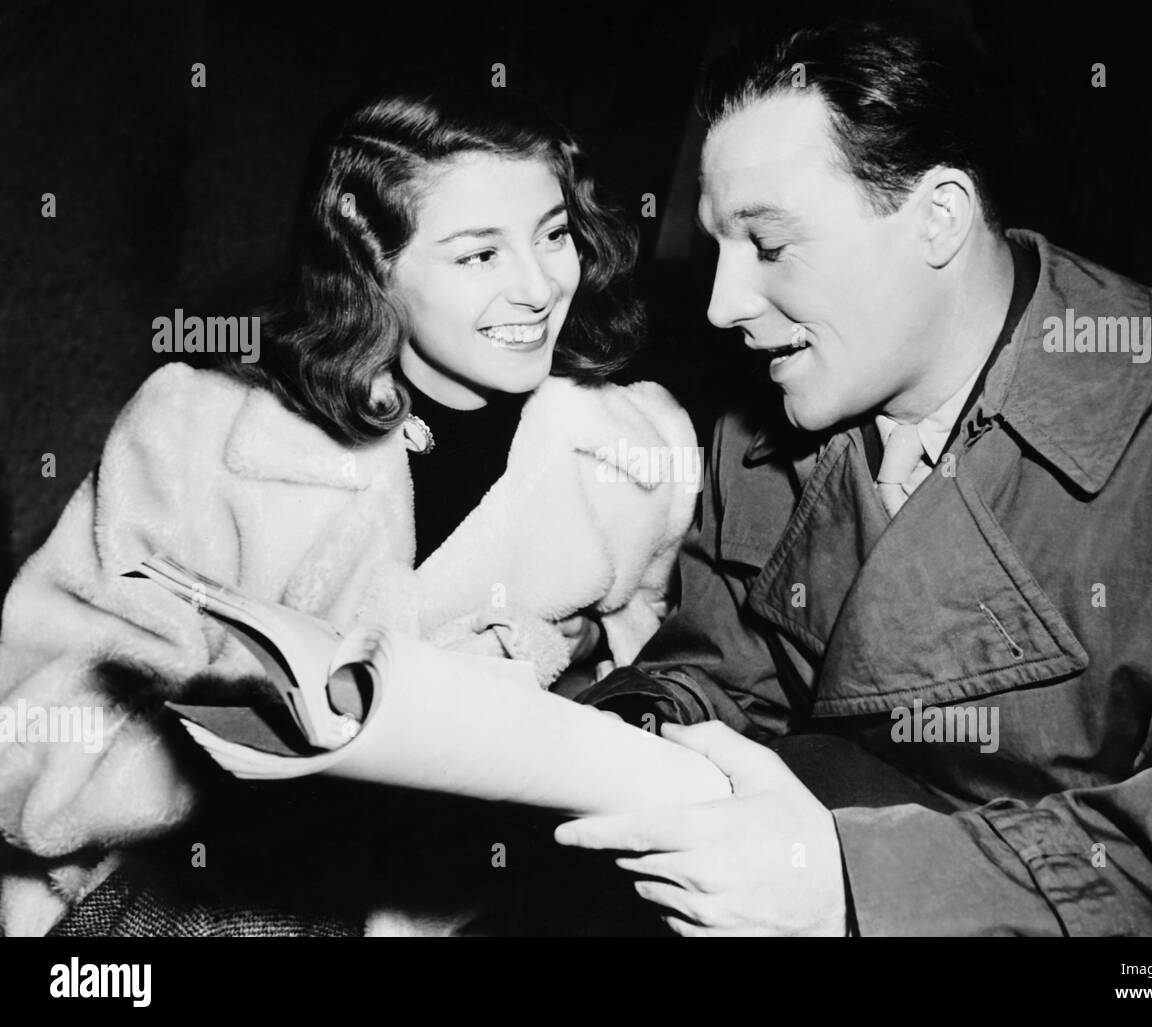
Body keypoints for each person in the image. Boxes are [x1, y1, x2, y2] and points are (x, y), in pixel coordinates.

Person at [560, 19, 1152, 936]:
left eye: (770, 245)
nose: (722, 305)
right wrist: (620, 732)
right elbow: (719, 674)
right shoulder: (762, 421)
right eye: (718, 247)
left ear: (939, 217)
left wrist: (853, 884)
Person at [0, 87, 698, 936]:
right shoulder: (204, 434)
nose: (541, 286)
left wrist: (570, 655)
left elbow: (664, 668)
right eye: (478, 255)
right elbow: (30, 742)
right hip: (215, 890)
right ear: (371, 265)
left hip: (477, 898)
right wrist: (241, 747)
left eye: (554, 235)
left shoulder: (634, 455)